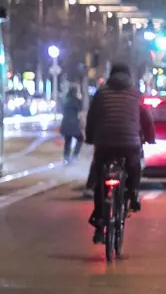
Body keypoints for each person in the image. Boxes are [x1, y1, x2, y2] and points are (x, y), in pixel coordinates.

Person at [84, 63, 155, 243]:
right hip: (129, 142)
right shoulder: (135, 94)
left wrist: (90, 137)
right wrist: (150, 137)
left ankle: (100, 221)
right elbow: (146, 119)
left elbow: (92, 117)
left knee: (100, 173)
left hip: (104, 142)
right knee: (133, 165)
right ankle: (133, 194)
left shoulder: (101, 93)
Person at [57, 82, 85, 163]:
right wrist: (82, 124)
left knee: (68, 140)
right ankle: (75, 155)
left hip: (65, 124)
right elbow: (80, 114)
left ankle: (66, 157)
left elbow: (62, 111)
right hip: (74, 124)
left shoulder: (65, 100)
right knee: (80, 138)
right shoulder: (78, 101)